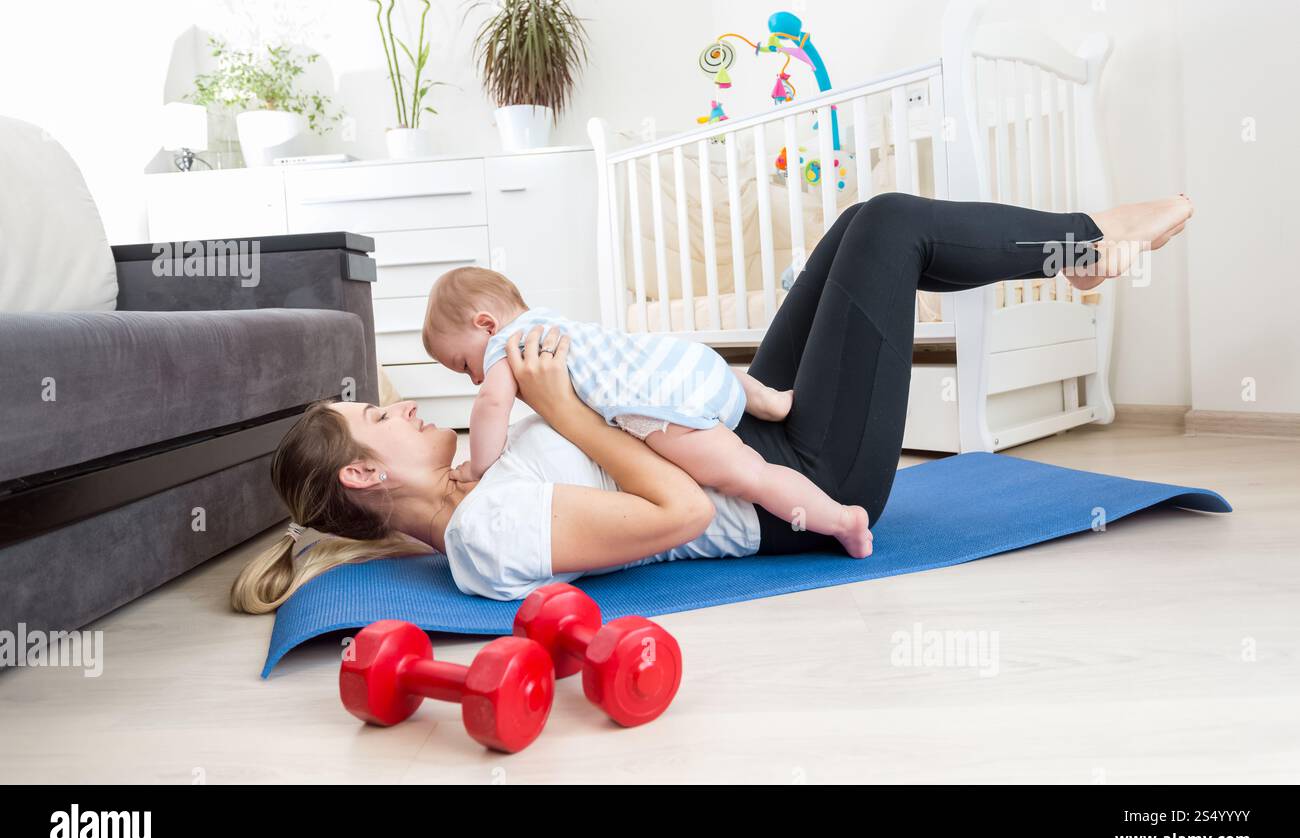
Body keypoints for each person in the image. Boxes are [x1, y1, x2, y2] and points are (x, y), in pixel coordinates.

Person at [231, 192, 1192, 610]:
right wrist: (565, 411)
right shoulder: (484, 538)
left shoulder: (475, 483)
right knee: (894, 228)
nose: (405, 408)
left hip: (743, 435)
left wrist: (587, 398)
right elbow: (682, 510)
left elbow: (616, 417)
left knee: (857, 225)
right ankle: (1085, 245)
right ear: (365, 470)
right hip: (796, 488)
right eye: (380, 418)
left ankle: (1082, 254)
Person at [420, 267, 872, 557]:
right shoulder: (547, 318)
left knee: (750, 474)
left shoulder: (507, 346)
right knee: (736, 392)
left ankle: (840, 520)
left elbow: (491, 406)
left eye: (463, 365)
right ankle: (772, 400)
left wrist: (482, 465)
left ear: (485, 324)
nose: (475, 379)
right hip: (694, 364)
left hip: (662, 410)